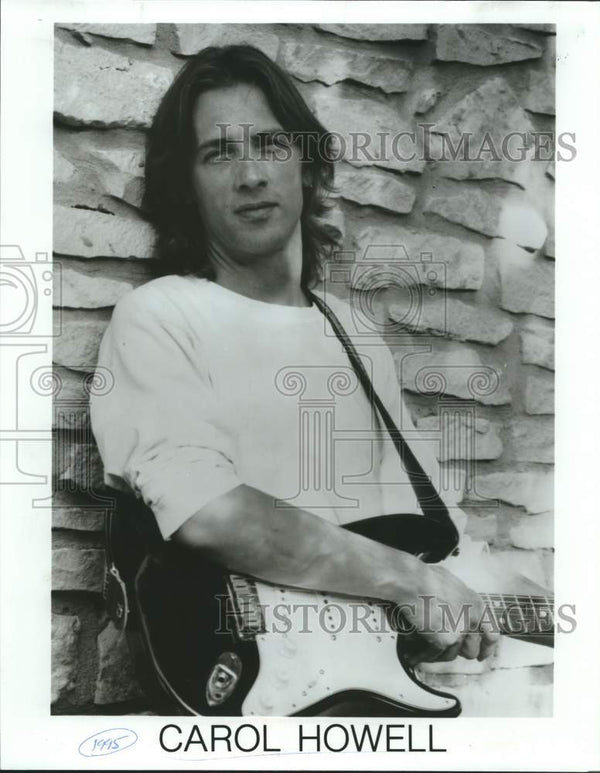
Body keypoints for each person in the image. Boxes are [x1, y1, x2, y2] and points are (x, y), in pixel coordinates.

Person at [89, 44, 499, 685]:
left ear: (305, 163)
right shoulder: (160, 316)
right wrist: (409, 583)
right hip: (264, 683)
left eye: (270, 145)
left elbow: (439, 535)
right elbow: (203, 510)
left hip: (388, 681)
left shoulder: (355, 334)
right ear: (186, 186)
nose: (250, 175)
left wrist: (468, 599)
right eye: (218, 153)